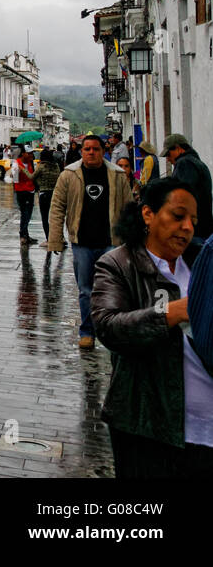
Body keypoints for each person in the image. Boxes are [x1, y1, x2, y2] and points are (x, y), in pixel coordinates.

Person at [92, 178, 213, 477]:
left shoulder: (202, 262)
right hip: (146, 427)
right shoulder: (118, 265)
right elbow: (109, 326)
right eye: (178, 215)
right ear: (148, 214)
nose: (187, 227)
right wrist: (173, 311)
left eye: (193, 221)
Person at [48, 135, 133, 349]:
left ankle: (112, 331)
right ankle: (87, 332)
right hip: (82, 242)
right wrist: (55, 239)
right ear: (81, 151)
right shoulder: (69, 174)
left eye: (95, 149)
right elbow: (57, 207)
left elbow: (128, 209)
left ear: (103, 151)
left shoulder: (117, 175)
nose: (91, 153)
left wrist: (132, 240)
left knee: (113, 289)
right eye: (87, 149)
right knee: (86, 290)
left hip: (111, 242)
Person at [162, 134, 213, 245]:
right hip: (201, 230)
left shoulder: (185, 163)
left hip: (193, 232)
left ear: (178, 148)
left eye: (168, 154)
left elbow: (182, 197)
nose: (168, 159)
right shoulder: (197, 163)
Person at [33, 148, 62, 248]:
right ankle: (60, 238)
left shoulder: (41, 166)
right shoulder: (56, 166)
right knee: (56, 217)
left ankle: (49, 239)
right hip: (55, 193)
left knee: (45, 218)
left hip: (44, 194)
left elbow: (33, 177)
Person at [13, 147, 36, 246]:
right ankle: (22, 235)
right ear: (23, 154)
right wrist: (17, 172)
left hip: (31, 190)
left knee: (29, 213)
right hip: (21, 191)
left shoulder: (31, 162)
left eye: (31, 153)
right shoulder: (16, 163)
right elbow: (14, 179)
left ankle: (26, 234)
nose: (31, 155)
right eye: (29, 153)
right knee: (25, 213)